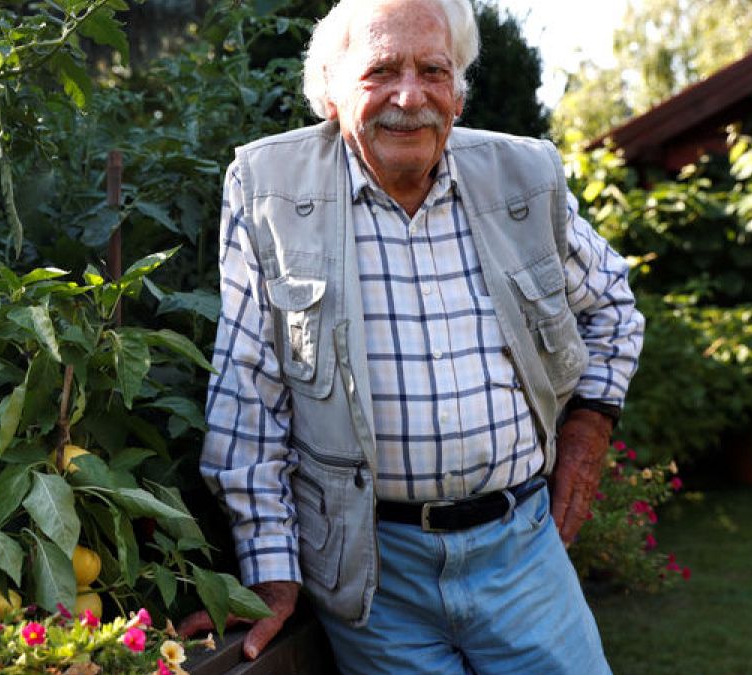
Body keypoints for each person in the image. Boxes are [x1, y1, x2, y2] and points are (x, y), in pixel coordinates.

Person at [179, 0, 644, 672]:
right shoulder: (269, 192)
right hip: (373, 572)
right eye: (381, 71)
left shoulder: (523, 176)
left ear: (457, 90)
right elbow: (247, 396)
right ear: (332, 91)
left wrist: (588, 431)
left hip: (522, 552)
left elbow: (612, 308)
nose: (410, 96)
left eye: (434, 70)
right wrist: (271, 572)